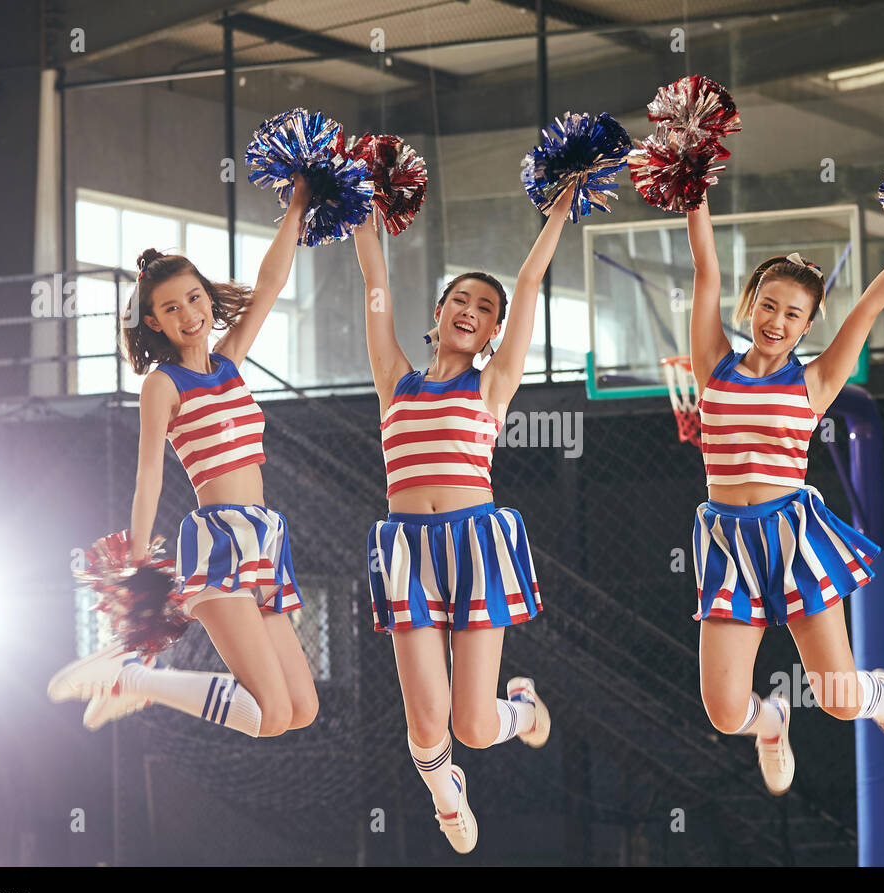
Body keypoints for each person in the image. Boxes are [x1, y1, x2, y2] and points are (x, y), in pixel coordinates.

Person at [48, 177, 318, 740]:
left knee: (300, 710)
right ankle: (138, 680)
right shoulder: (161, 385)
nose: (188, 313)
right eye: (171, 308)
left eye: (194, 298)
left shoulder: (230, 361)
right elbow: (149, 474)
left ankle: (134, 681)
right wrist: (136, 564)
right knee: (267, 715)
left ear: (207, 298)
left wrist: (296, 207)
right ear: (155, 322)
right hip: (218, 541)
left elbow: (270, 282)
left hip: (264, 539)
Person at [352, 190, 572, 853]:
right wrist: (358, 204)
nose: (471, 312)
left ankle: (524, 707)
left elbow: (530, 280)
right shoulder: (394, 378)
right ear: (438, 314)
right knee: (427, 726)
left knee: (475, 726)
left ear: (495, 331)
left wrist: (561, 209)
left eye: (486, 309)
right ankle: (447, 793)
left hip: (475, 543)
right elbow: (375, 282)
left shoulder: (491, 383)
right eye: (461, 301)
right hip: (407, 552)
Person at [686, 194, 884, 796]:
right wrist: (693, 191)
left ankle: (880, 693)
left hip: (793, 538)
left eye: (793, 314)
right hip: (727, 541)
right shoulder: (713, 365)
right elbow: (705, 268)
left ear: (807, 325)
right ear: (751, 305)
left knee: (841, 702)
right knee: (721, 710)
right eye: (768, 304)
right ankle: (771, 721)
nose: (777, 320)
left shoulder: (813, 381)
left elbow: (868, 309)